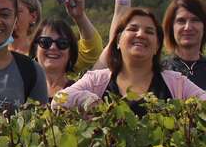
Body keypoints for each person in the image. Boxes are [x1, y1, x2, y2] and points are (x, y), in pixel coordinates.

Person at [59, 7, 206, 112]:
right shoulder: (97, 80)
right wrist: (86, 100)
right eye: (133, 29)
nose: (141, 34)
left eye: (149, 31)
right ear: (117, 41)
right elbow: (59, 100)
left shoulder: (176, 83)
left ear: (157, 46)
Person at [162, 0, 206, 88]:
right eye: (181, 21)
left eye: (195, 20)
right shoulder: (159, 72)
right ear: (171, 28)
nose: (188, 27)